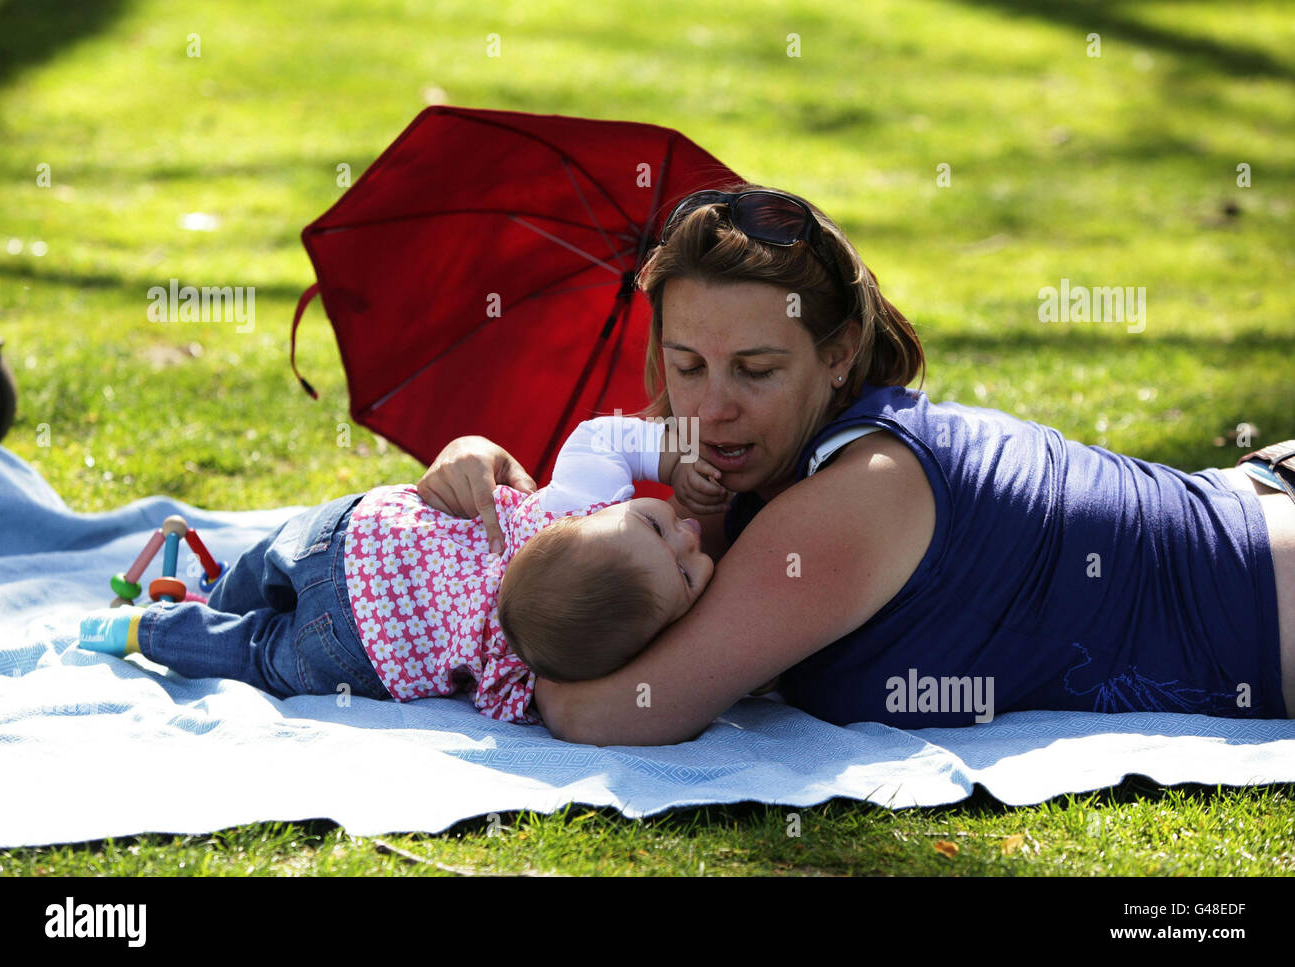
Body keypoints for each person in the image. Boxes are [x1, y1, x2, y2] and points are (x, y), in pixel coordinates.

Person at [414, 182, 1295, 745]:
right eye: (686, 365)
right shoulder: (736, 471)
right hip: (1248, 489)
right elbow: (585, 542)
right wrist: (484, 473)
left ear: (838, 357)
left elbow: (607, 706)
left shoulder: (850, 501)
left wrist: (512, 619)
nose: (711, 407)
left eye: (756, 370)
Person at [77, 415, 719, 722]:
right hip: (360, 654)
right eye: (659, 524)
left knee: (256, 571)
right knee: (252, 654)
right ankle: (149, 632)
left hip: (353, 538)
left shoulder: (576, 503)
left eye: (685, 574)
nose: (687, 535)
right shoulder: (556, 664)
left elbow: (597, 439)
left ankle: (212, 594)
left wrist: (676, 453)